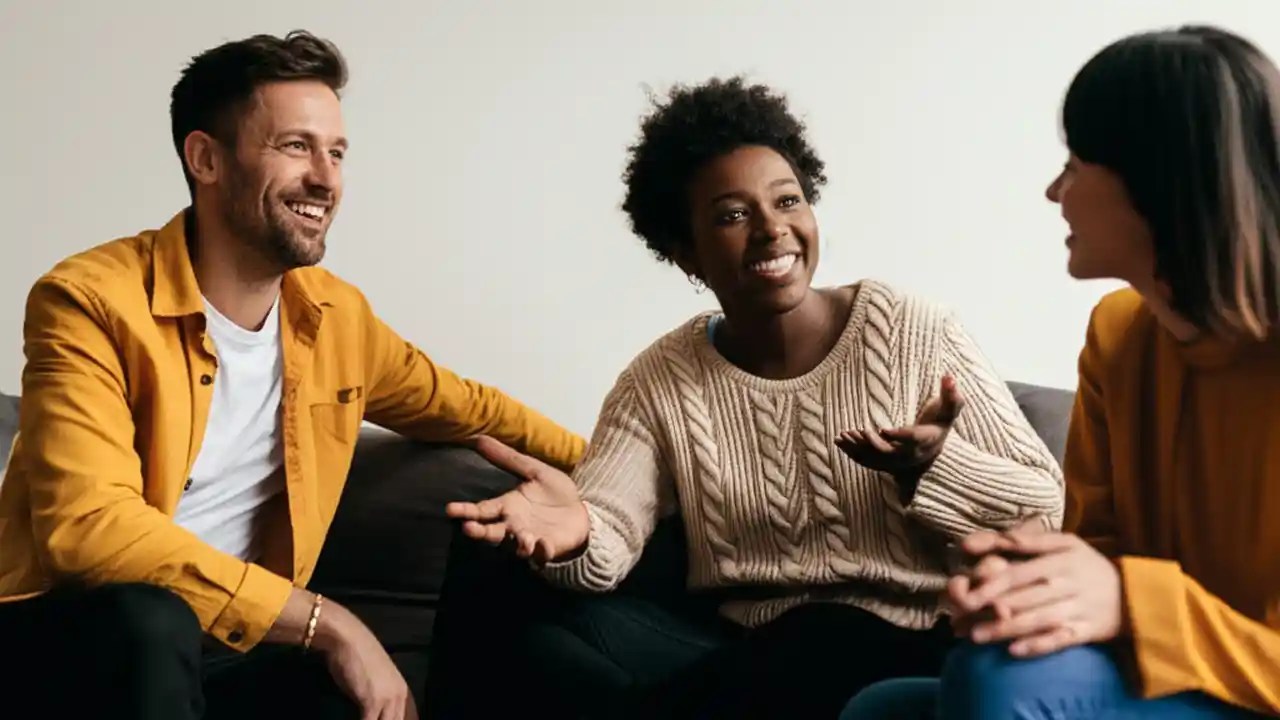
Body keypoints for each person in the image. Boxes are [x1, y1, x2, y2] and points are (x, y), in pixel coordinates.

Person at [0, 30, 585, 720]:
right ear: (205, 158)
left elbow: (473, 409)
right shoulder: (90, 300)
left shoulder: (335, 318)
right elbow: (89, 532)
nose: (326, 179)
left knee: (342, 701)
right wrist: (324, 622)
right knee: (149, 623)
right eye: (296, 146)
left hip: (228, 652)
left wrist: (620, 477)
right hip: (65, 639)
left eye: (336, 152)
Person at [441, 76, 1064, 719]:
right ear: (686, 254)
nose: (773, 230)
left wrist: (933, 466)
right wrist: (574, 536)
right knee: (496, 575)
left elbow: (1048, 512)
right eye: (733, 215)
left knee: (819, 630)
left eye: (788, 201)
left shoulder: (913, 328)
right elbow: (609, 533)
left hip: (909, 641)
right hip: (739, 648)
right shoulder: (659, 378)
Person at [841, 24, 1280, 719]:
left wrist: (1134, 603)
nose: (1054, 191)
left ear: (1157, 178)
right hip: (1173, 671)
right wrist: (1027, 584)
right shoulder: (1119, 336)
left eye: (1075, 163)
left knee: (1003, 686)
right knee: (882, 708)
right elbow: (1101, 551)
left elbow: (1129, 595)